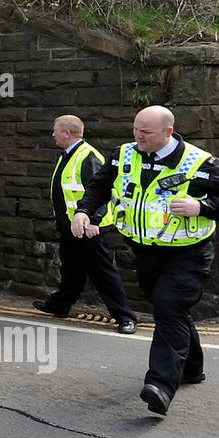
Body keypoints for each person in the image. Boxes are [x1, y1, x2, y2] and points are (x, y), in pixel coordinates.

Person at [72, 105, 219, 416]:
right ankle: (192, 368)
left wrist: (201, 206)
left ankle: (161, 385)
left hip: (188, 253)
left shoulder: (201, 163)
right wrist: (83, 211)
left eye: (146, 132)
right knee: (171, 310)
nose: (138, 136)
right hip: (146, 252)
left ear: (168, 131)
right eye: (136, 129)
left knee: (168, 306)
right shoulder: (123, 154)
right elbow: (100, 185)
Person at [34, 115, 137, 334]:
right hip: (72, 227)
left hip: (88, 228)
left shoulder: (88, 156)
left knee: (103, 273)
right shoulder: (69, 155)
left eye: (55, 130)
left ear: (67, 134)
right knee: (71, 269)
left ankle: (126, 317)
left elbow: (100, 192)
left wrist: (94, 222)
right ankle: (60, 305)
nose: (53, 134)